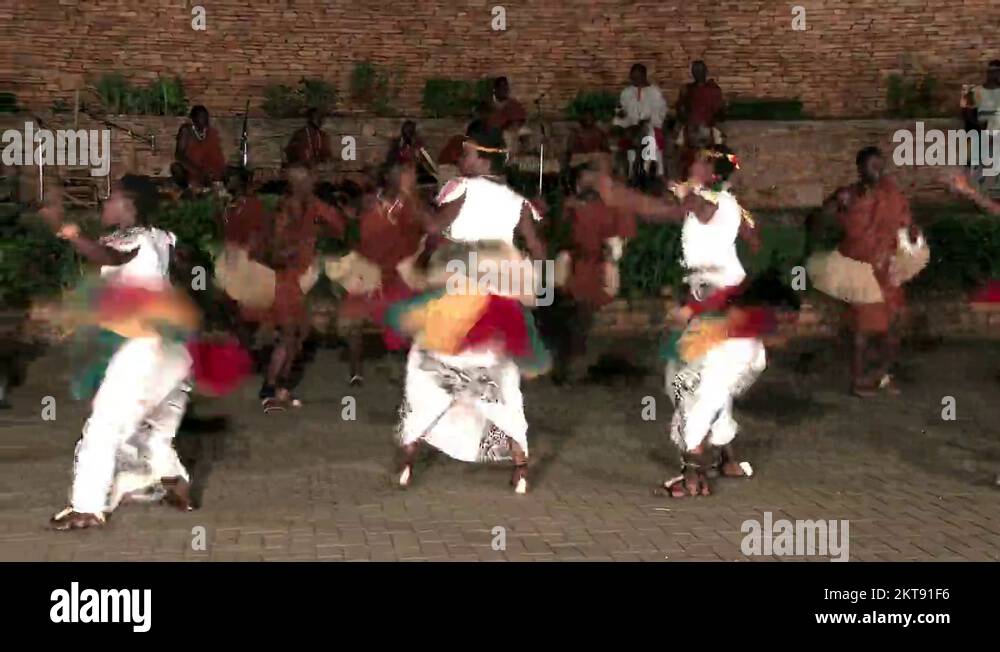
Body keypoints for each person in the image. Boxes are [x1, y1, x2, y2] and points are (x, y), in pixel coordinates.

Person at [594, 146, 768, 498]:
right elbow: (754, 239)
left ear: (714, 174)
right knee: (704, 381)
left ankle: (692, 479)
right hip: (714, 304)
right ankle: (727, 460)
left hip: (718, 306)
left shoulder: (708, 202)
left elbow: (660, 211)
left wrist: (617, 194)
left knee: (696, 387)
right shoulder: (719, 202)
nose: (692, 164)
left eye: (701, 162)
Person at [386, 126, 548, 495]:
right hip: (497, 305)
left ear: (482, 157)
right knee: (503, 383)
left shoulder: (462, 188)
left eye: (466, 153)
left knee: (424, 371)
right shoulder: (517, 201)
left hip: (459, 300)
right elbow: (539, 252)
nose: (460, 159)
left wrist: (409, 192)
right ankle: (521, 470)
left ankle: (407, 464)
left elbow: (431, 226)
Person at [39, 176, 201, 529]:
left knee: (105, 425)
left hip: (145, 350)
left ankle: (87, 507)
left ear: (130, 206)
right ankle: (174, 480)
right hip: (174, 353)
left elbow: (110, 255)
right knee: (151, 430)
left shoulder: (136, 239)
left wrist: (65, 229)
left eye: (111, 198)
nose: (104, 203)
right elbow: (176, 273)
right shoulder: (162, 237)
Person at [807, 147, 926, 397]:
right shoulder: (847, 195)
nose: (878, 171)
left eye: (881, 166)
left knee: (895, 325)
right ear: (860, 168)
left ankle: (882, 374)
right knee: (864, 329)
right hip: (860, 269)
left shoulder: (891, 193)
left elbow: (907, 223)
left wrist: (912, 237)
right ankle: (858, 379)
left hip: (889, 268)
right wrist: (834, 210)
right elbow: (815, 220)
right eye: (873, 166)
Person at [244, 164, 346, 412]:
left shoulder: (311, 206)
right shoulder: (285, 212)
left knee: (297, 338)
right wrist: (296, 248)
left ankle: (281, 388)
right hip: (284, 281)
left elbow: (339, 226)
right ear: (297, 185)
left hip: (300, 280)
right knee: (289, 336)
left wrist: (318, 230)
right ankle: (270, 390)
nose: (313, 183)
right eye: (308, 181)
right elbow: (273, 252)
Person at [336, 163, 425, 385]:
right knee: (352, 314)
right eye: (405, 174)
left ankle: (403, 365)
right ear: (392, 178)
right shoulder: (369, 202)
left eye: (410, 175)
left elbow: (419, 239)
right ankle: (356, 371)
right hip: (368, 273)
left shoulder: (410, 205)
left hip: (397, 273)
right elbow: (354, 237)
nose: (409, 179)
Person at [550, 161, 635, 384]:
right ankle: (569, 361)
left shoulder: (614, 208)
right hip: (572, 268)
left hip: (595, 269)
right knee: (570, 312)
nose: (587, 186)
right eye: (583, 181)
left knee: (580, 312)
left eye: (592, 181)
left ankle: (571, 363)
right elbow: (559, 236)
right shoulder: (570, 207)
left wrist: (609, 259)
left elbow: (618, 241)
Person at [614, 63, 668, 181]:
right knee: (628, 138)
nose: (634, 80)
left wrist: (647, 120)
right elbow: (621, 111)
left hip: (650, 127)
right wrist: (621, 116)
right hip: (630, 126)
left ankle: (651, 172)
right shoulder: (626, 92)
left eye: (637, 77)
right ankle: (631, 173)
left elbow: (660, 112)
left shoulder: (655, 92)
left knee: (648, 136)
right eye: (632, 77)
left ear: (644, 76)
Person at [171, 105, 227, 191]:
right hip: (190, 169)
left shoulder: (211, 132)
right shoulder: (186, 130)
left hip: (207, 170)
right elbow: (179, 154)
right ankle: (186, 189)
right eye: (200, 117)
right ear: (193, 119)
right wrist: (196, 169)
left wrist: (211, 171)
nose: (203, 120)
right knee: (176, 168)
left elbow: (216, 156)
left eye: (205, 117)